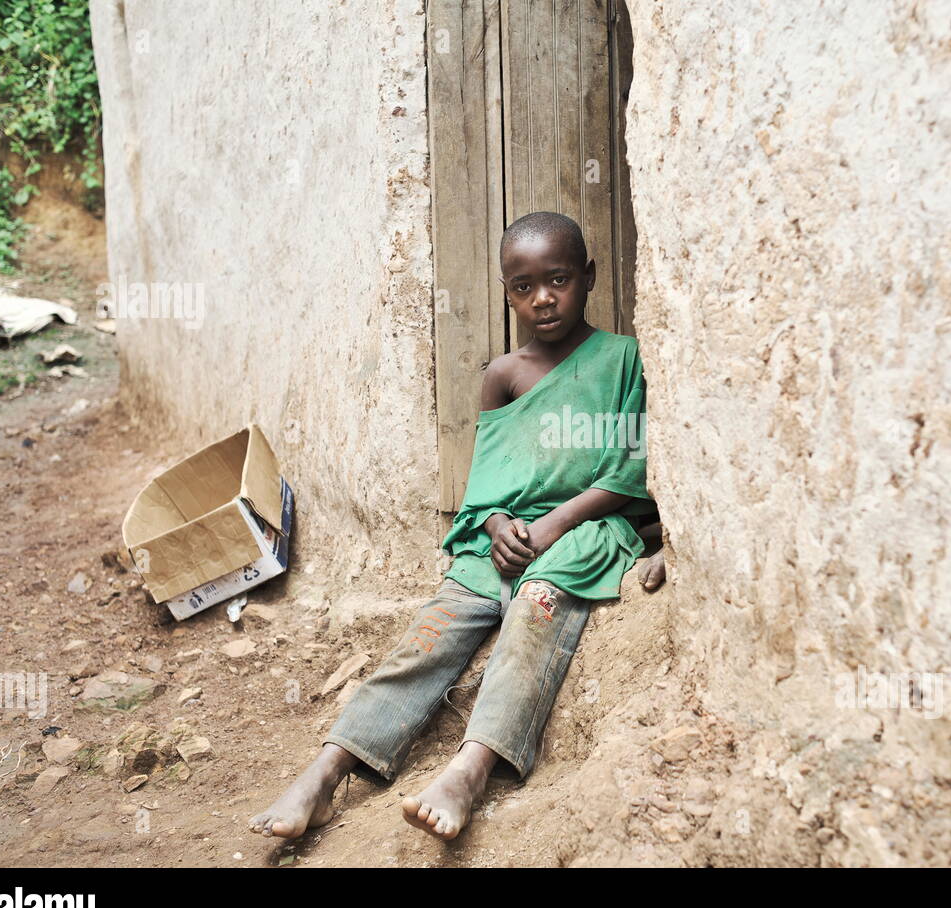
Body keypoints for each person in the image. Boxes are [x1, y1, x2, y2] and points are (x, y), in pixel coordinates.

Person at [250, 211, 662, 841]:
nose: (543, 299)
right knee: (432, 632)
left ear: (590, 277)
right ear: (506, 292)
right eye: (523, 287)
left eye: (558, 280)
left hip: (585, 532)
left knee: (535, 611)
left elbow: (630, 471)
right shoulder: (502, 376)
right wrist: (497, 525)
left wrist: (554, 524)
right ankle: (330, 768)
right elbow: (484, 488)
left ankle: (471, 768)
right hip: (503, 543)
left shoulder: (625, 359)